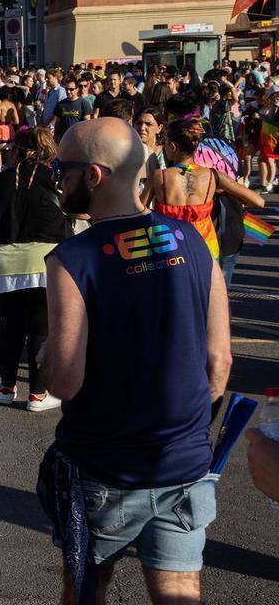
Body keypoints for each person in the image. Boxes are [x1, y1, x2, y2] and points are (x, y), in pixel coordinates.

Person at [38, 117, 232, 605]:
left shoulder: (74, 258)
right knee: (180, 591)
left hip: (106, 467)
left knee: (86, 591)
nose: (56, 178)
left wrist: (43, 356)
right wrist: (179, 428)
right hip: (184, 464)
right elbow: (220, 362)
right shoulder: (193, 242)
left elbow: (64, 381)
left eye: (63, 169)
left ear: (94, 176)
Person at [0, 128, 70, 411]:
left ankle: (6, 387)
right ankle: (37, 394)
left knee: (9, 327)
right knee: (40, 329)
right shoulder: (55, 180)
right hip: (42, 258)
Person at [142, 118, 263, 260]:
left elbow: (139, 210)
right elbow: (259, 202)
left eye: (166, 144)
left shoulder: (159, 176)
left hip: (170, 246)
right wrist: (224, 192)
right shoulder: (213, 176)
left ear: (173, 146)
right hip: (205, 246)